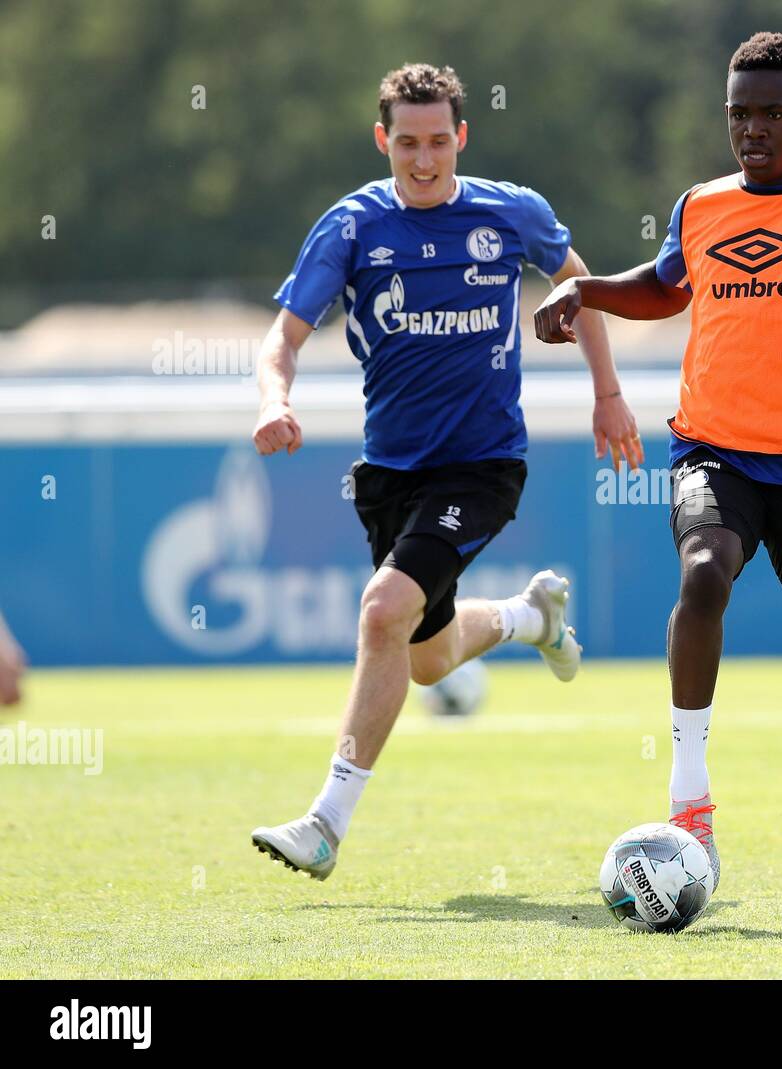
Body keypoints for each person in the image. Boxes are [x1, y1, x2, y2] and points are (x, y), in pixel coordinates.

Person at [534, 33, 782, 888]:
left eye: (771, 113)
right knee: (704, 574)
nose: (751, 128)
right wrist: (585, 289)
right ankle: (690, 803)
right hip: (716, 448)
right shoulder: (702, 205)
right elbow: (668, 286)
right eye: (739, 113)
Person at [250, 63, 642, 880]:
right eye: (407, 144)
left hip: (482, 464)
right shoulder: (352, 227)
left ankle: (327, 820)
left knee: (381, 608)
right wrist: (272, 399)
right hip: (392, 473)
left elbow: (584, 289)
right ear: (382, 140)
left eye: (437, 142)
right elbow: (282, 336)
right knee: (423, 656)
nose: (423, 160)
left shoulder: (508, 212)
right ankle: (531, 619)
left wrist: (608, 395)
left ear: (461, 136)